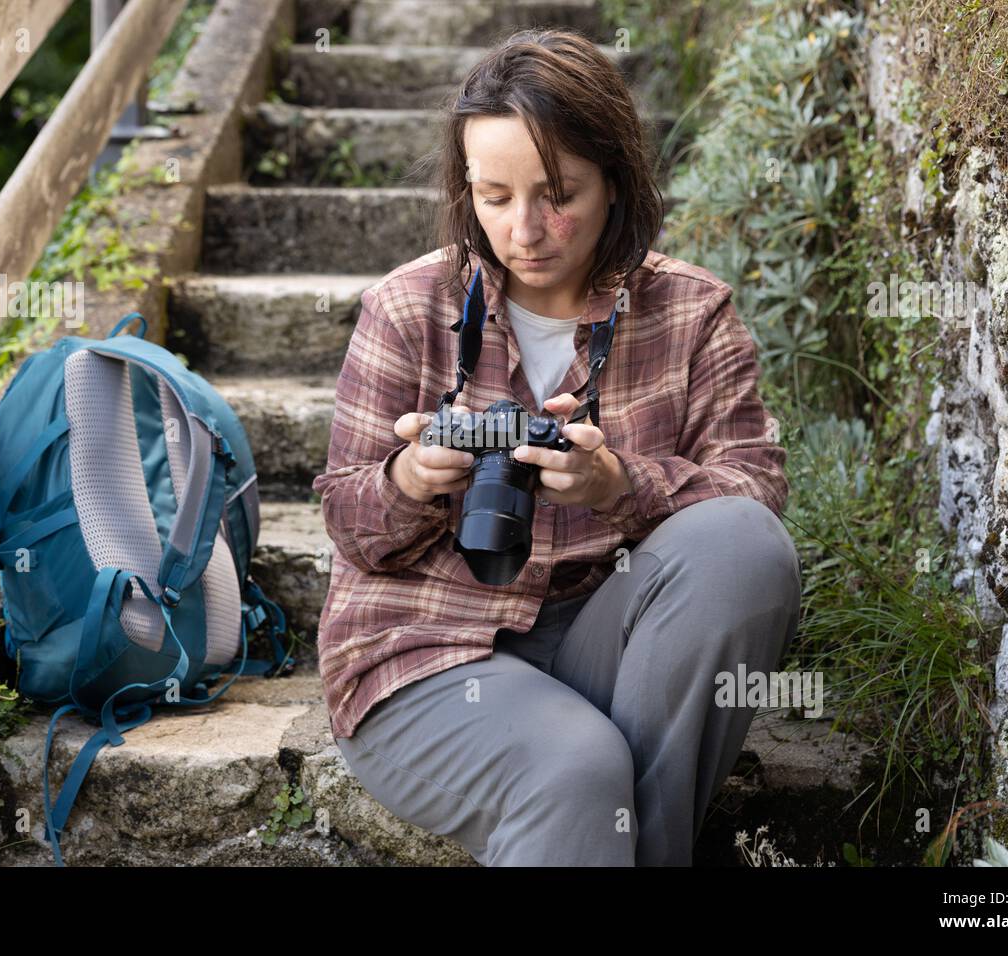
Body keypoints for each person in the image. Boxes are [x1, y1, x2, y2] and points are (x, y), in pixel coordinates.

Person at [310, 29, 801, 866]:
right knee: (573, 769)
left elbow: (754, 491)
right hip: (427, 651)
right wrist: (411, 477)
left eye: (557, 192)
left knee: (743, 545)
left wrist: (619, 484)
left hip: (611, 640)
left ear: (615, 178)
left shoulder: (691, 313)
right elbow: (346, 517)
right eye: (494, 197)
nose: (525, 229)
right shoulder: (408, 306)